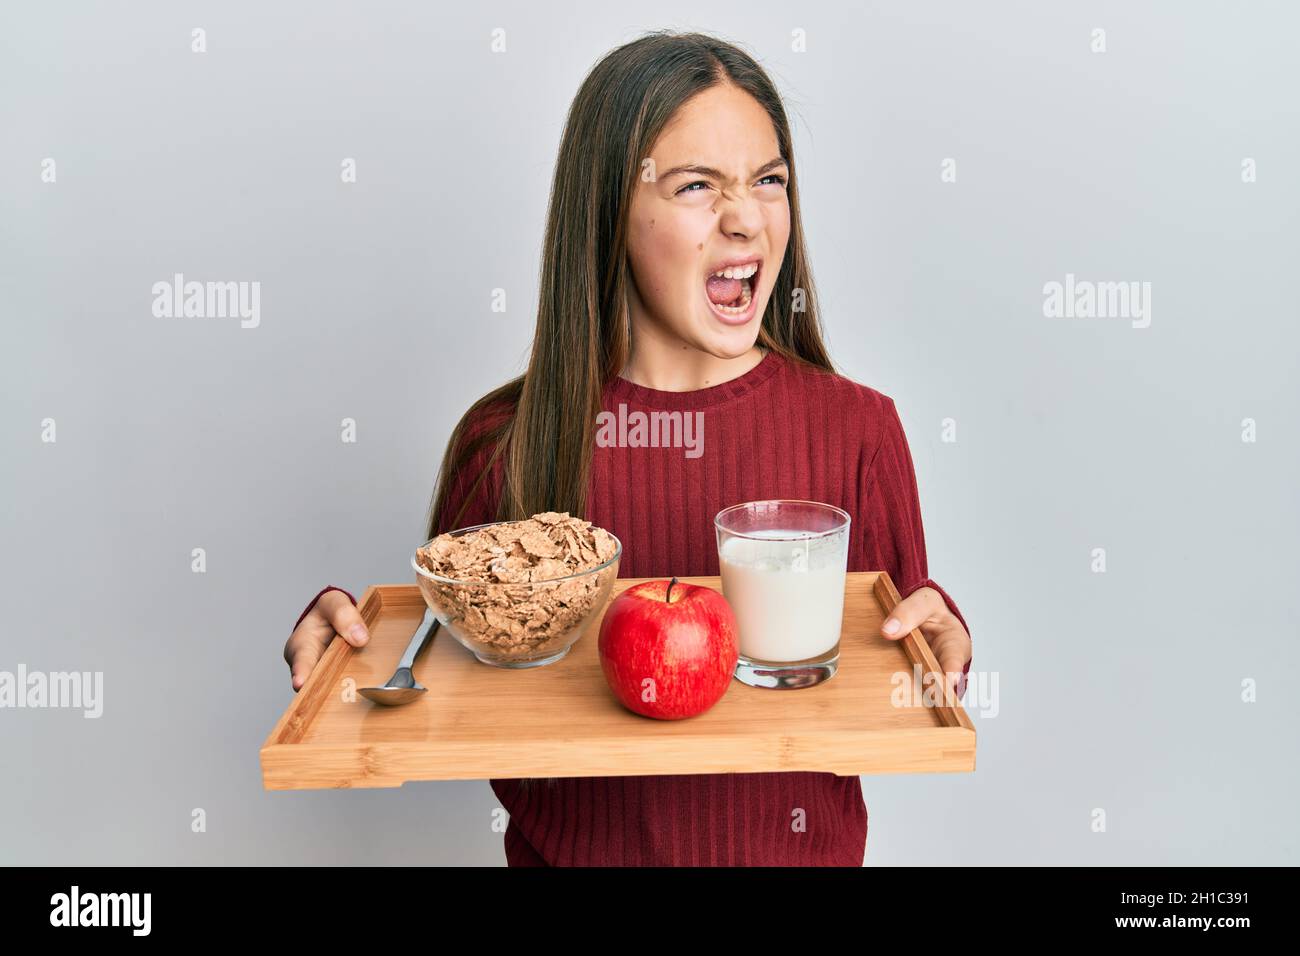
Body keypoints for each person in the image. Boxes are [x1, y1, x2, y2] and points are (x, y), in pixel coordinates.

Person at [283, 30, 972, 866]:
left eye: (769, 181)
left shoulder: (858, 432)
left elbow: (893, 656)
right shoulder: (502, 444)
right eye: (695, 186)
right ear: (611, 211)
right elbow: (438, 659)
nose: (745, 217)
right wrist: (343, 652)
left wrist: (944, 639)